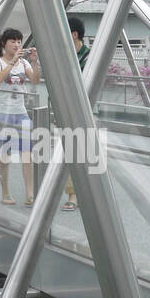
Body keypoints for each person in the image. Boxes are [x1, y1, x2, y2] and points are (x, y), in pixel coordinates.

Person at [0, 27, 40, 206]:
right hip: (2, 113)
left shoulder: (24, 64)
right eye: (13, 41)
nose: (17, 44)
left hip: (21, 112)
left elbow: (36, 80)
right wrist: (13, 61)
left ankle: (30, 194)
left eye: (19, 41)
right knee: (4, 155)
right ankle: (6, 193)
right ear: (4, 44)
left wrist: (35, 62)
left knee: (27, 154)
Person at [61, 16, 90, 212]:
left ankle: (77, 194)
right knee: (73, 150)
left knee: (81, 151)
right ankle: (77, 192)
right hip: (68, 107)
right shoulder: (64, 54)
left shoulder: (90, 56)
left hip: (86, 108)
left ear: (74, 34)